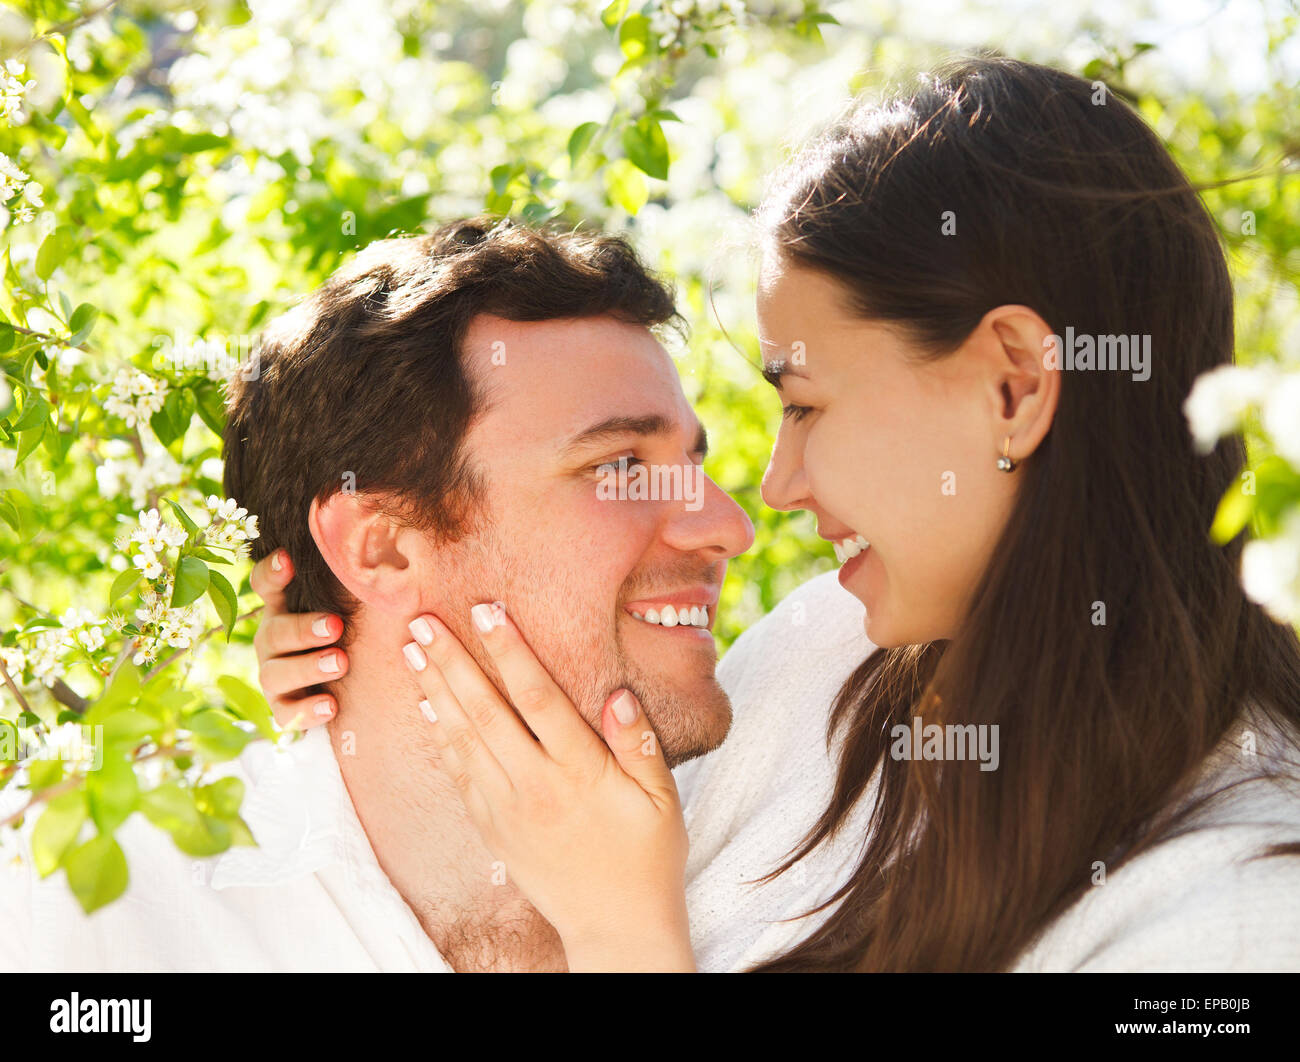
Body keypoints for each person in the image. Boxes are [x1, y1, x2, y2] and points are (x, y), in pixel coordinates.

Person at [256, 56, 1300, 971]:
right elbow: (531, 835)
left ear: (1014, 387)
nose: (772, 493)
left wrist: (626, 946)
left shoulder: (1236, 918)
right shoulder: (829, 661)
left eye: (804, 404)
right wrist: (357, 667)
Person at [4, 218, 866, 973]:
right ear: (378, 546)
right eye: (620, 467)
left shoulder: (818, 768)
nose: (727, 526)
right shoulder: (84, 906)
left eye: (695, 464)